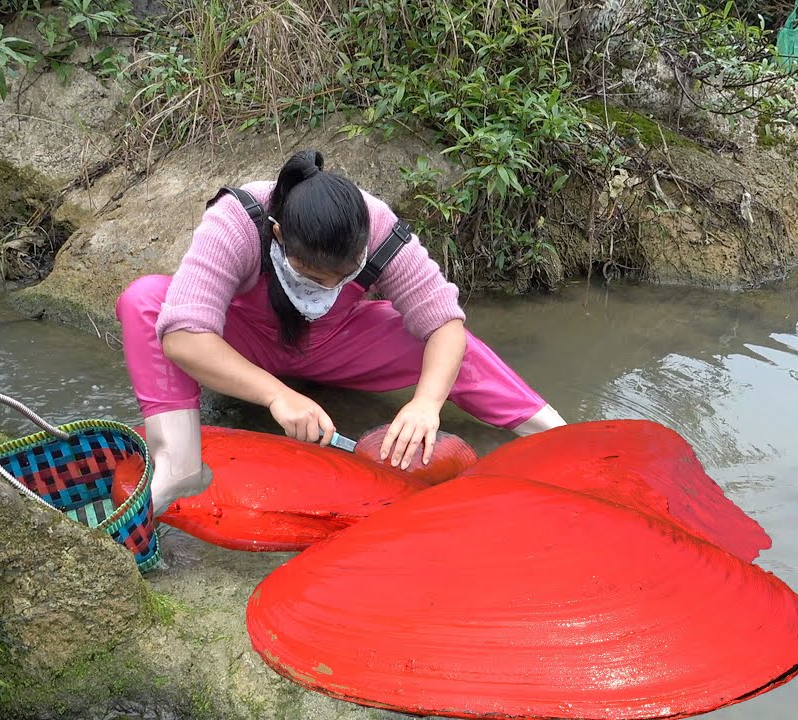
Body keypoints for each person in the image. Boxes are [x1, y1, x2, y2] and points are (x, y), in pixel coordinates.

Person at [115, 149, 566, 513]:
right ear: (279, 235)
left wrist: (427, 404)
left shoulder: (380, 226)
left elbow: (445, 324)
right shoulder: (238, 220)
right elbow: (184, 335)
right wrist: (278, 395)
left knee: (452, 345)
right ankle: (179, 466)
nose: (328, 287)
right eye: (314, 276)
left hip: (338, 342)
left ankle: (557, 435)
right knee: (145, 301)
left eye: (343, 277)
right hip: (248, 342)